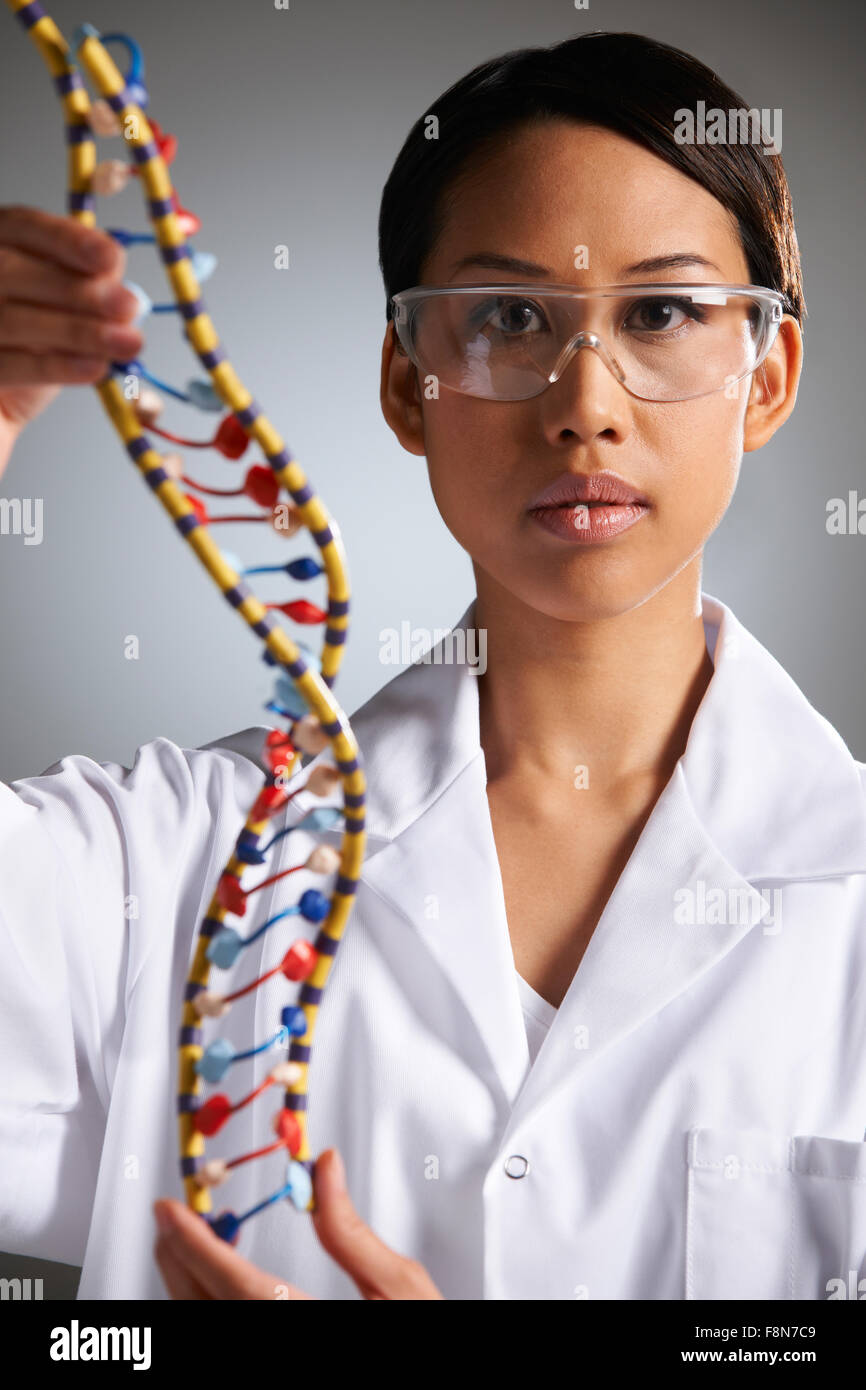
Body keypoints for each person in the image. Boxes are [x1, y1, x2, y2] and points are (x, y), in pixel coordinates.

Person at [1, 30, 864, 1302]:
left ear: (764, 377)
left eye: (662, 312)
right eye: (508, 317)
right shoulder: (172, 873)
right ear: (409, 387)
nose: (587, 402)